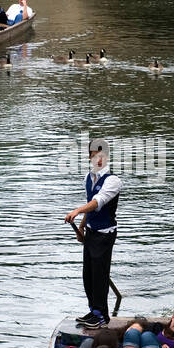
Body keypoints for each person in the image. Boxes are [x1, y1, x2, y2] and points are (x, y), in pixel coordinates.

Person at [64, 138, 120, 329]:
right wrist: (81, 227)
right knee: (88, 275)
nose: (96, 159)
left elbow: (98, 202)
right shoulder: (88, 177)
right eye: (92, 155)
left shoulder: (113, 180)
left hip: (105, 234)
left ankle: (102, 315)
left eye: (99, 155)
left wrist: (77, 210)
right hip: (91, 232)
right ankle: (93, 311)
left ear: (105, 157)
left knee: (99, 275)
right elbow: (90, 206)